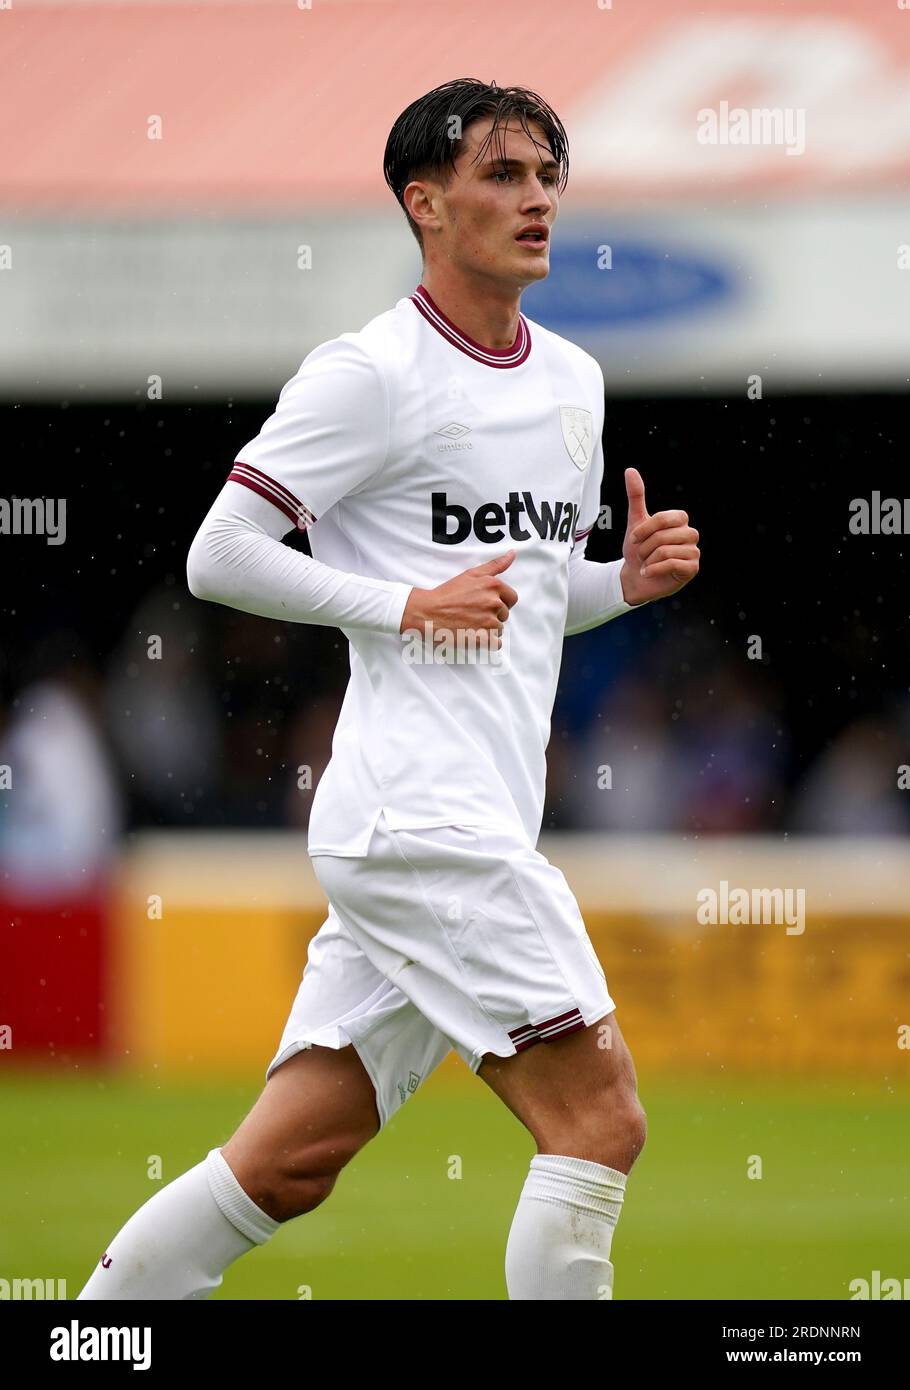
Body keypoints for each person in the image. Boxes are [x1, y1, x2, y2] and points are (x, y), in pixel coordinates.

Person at [78, 78, 700, 1302]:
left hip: (439, 825)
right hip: (423, 821)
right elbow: (221, 554)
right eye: (503, 176)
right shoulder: (368, 372)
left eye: (545, 175)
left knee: (290, 1159)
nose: (536, 200)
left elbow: (512, 595)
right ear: (423, 202)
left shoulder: (571, 378)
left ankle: (94, 1333)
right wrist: (396, 604)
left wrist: (615, 583)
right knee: (599, 1119)